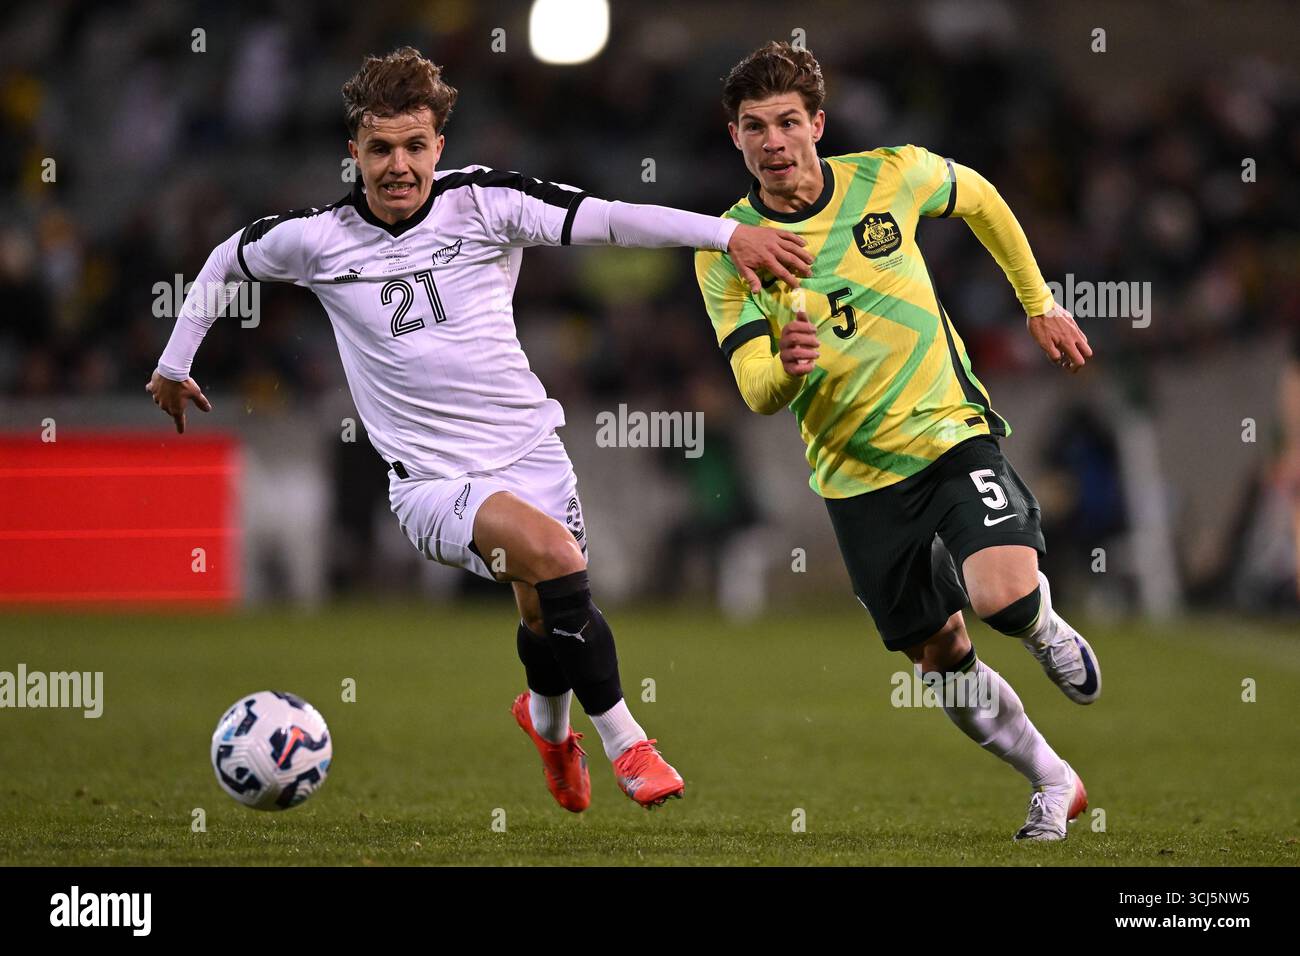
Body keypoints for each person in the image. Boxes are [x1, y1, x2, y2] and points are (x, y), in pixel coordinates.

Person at [148, 46, 813, 813]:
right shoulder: (317, 239)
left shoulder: (489, 202)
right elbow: (225, 259)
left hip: (531, 454)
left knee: (547, 611)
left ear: (439, 146)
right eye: (379, 148)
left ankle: (548, 724)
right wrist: (174, 360)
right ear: (353, 153)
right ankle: (627, 739)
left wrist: (726, 236)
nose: (398, 166)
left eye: (414, 146)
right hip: (433, 485)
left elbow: (615, 221)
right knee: (558, 562)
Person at [694, 41, 1101, 841]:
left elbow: (979, 195)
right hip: (855, 479)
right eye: (754, 127)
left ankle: (1043, 626)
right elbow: (753, 388)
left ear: (818, 122)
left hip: (948, 433)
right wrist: (788, 368)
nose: (773, 142)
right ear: (733, 137)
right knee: (940, 657)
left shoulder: (891, 174)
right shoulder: (730, 249)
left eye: (787, 122)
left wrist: (1038, 301)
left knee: (1003, 597)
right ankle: (1053, 780)